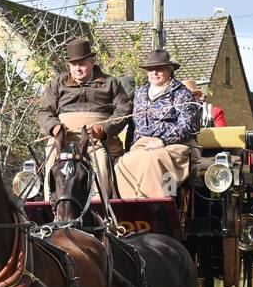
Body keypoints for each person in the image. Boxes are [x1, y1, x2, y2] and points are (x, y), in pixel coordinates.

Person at [36, 38, 132, 202]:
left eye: (81, 64)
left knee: (101, 169)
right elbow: (44, 111)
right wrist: (54, 128)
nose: (77, 69)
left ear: (92, 62)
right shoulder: (57, 84)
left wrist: (104, 128)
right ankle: (51, 207)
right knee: (51, 165)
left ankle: (99, 211)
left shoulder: (110, 83)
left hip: (97, 141)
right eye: (73, 65)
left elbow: (124, 109)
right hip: (63, 140)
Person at [114, 48, 202, 199]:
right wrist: (128, 148)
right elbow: (133, 125)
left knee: (153, 160)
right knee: (122, 163)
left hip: (174, 145)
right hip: (142, 145)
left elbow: (188, 125)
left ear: (169, 71)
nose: (154, 72)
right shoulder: (140, 93)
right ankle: (128, 207)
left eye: (159, 69)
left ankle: (160, 205)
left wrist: (163, 140)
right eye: (150, 69)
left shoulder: (181, 93)